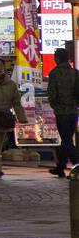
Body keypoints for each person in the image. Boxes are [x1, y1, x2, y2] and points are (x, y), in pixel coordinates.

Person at [47, 49, 79, 177]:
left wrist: (54, 105)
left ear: (57, 59)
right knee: (67, 139)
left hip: (61, 112)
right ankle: (60, 166)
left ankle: (77, 163)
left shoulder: (54, 74)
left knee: (66, 140)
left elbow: (52, 94)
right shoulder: (75, 73)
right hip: (74, 111)